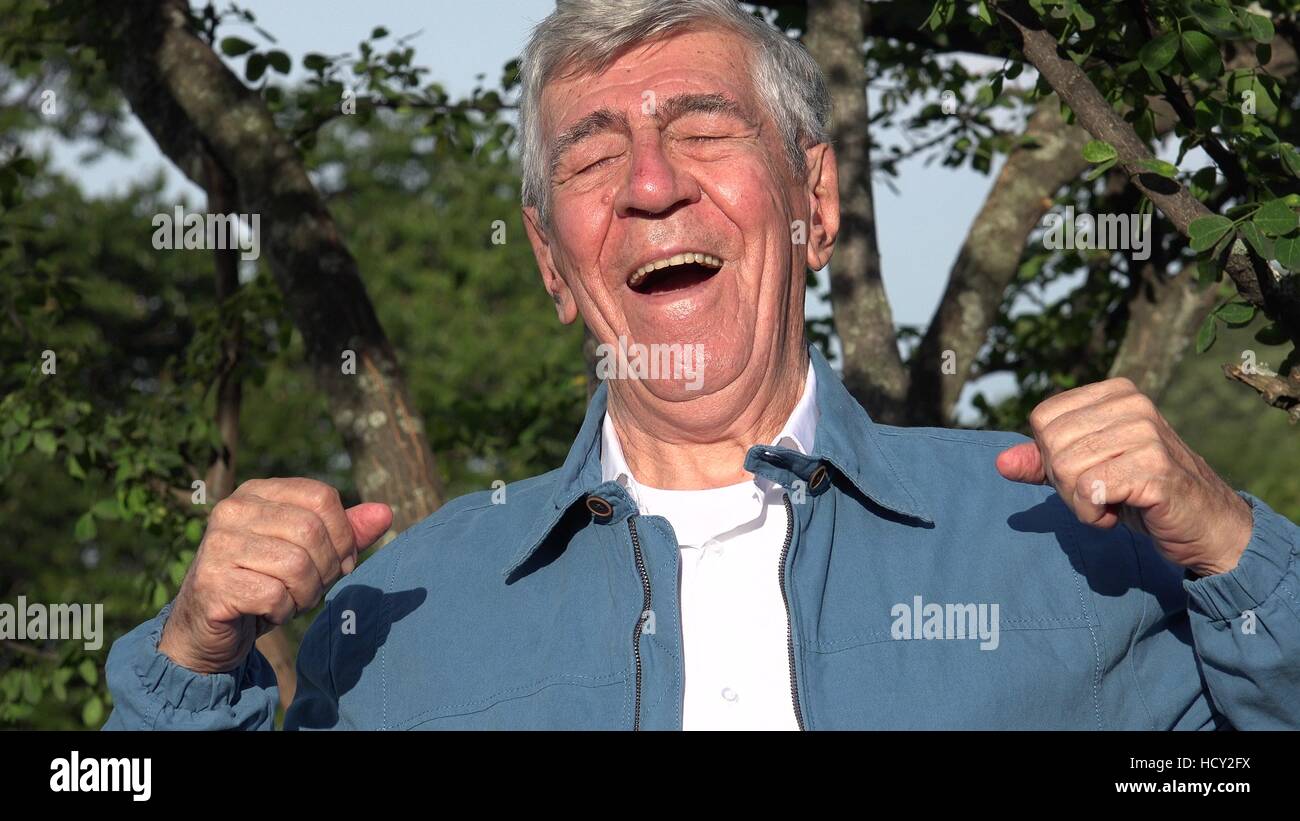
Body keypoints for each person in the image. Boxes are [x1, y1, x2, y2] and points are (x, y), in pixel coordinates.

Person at [104, 0, 1299, 730]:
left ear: (813, 204)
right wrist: (192, 666)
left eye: (703, 131)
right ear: (550, 262)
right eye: (590, 156)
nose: (650, 182)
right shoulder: (395, 616)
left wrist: (1235, 546)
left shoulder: (1088, 545)